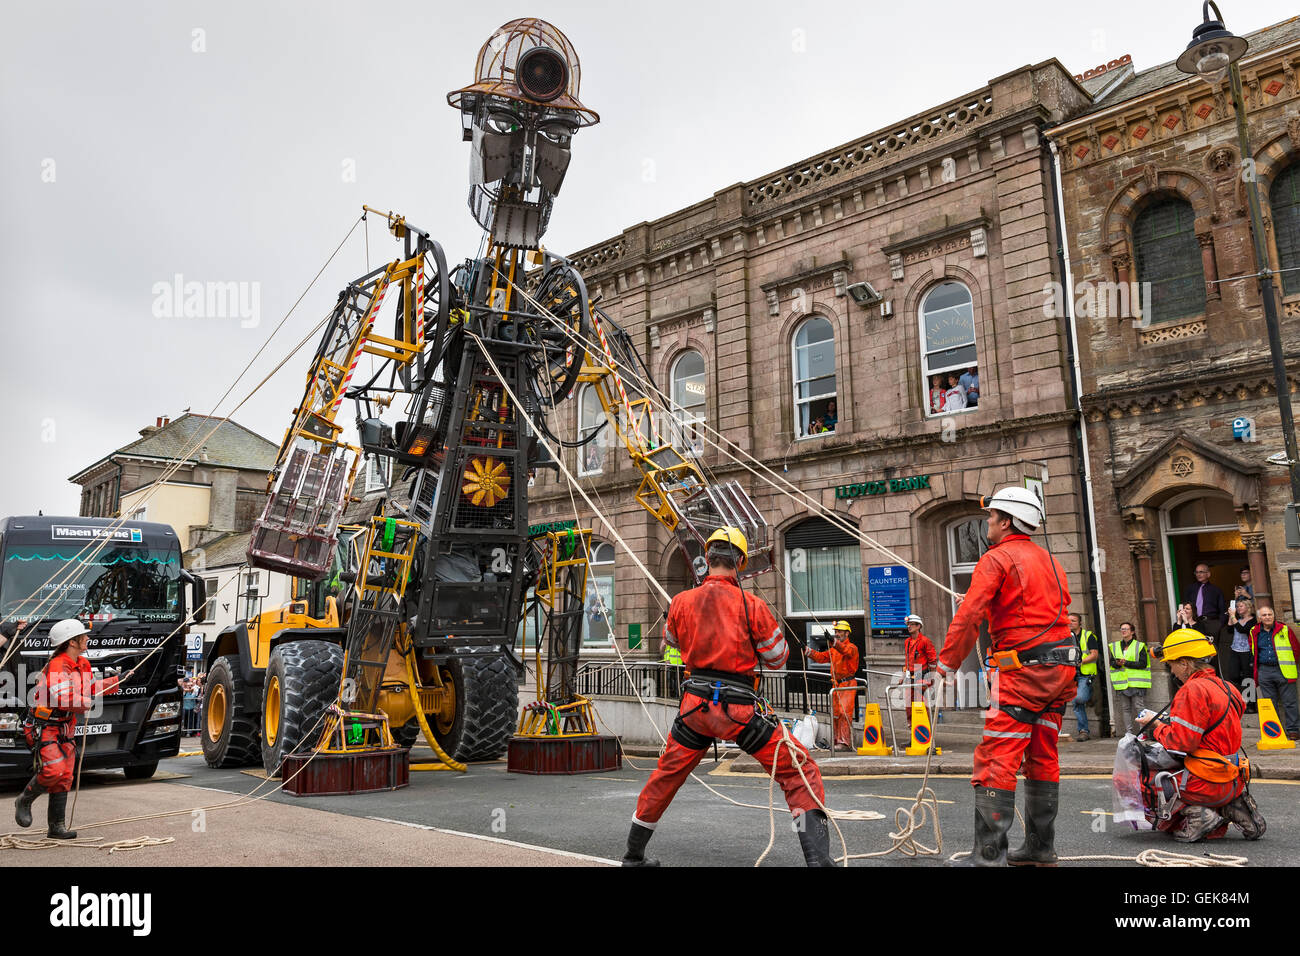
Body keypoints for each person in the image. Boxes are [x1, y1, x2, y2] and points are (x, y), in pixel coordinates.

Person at [624, 527, 830, 866]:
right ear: (741, 563)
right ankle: (818, 861)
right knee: (798, 770)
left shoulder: (681, 602)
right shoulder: (752, 606)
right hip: (741, 712)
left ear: (707, 559)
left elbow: (672, 643)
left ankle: (633, 856)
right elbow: (778, 658)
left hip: (694, 710)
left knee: (665, 777)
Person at [936, 486, 1074, 866]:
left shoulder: (996, 559)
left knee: (998, 759)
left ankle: (988, 856)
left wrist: (946, 666)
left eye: (992, 516)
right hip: (1059, 673)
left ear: (1007, 521)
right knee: (1043, 756)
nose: (988, 523)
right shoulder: (1051, 561)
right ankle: (1039, 849)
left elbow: (969, 615)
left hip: (1022, 676)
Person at [1133, 629, 1264, 842]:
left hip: (1207, 780)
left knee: (1143, 778)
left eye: (1172, 664)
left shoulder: (1191, 690)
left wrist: (1155, 725)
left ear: (1185, 663)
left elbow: (1181, 744)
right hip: (1233, 778)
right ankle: (1234, 805)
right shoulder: (1227, 687)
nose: (1173, 671)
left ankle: (1200, 816)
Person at [14, 619, 129, 838]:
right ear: (72, 642)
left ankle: (56, 827)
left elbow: (90, 688)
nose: (87, 638)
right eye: (83, 636)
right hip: (46, 726)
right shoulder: (58, 665)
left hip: (64, 727)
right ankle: (24, 800)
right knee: (53, 770)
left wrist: (117, 681)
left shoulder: (82, 664)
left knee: (65, 775)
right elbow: (64, 698)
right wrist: (88, 702)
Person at [806, 620, 860, 749]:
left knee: (844, 713)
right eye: (835, 632)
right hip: (837, 685)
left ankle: (845, 742)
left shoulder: (852, 647)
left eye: (839, 631)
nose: (837, 634)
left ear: (847, 633)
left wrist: (833, 641)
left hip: (848, 684)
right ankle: (837, 741)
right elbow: (820, 657)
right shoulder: (834, 649)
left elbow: (845, 651)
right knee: (836, 713)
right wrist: (807, 650)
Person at [1250, 605, 1299, 739]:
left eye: (1269, 615)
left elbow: (1296, 649)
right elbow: (1253, 648)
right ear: (1260, 618)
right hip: (1264, 670)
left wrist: (1289, 662)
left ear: (1274, 616)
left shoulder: (1284, 629)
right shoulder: (1254, 631)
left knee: (1290, 702)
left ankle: (1293, 730)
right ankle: (1275, 733)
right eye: (1264, 615)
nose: (1267, 617)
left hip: (1283, 669)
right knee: (1270, 704)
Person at [1108, 622, 1150, 738]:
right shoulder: (1115, 646)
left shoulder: (1140, 645)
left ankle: (1143, 733)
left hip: (1137, 682)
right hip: (1122, 683)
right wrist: (1117, 663)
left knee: (1139, 707)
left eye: (1126, 629)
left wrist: (1126, 663)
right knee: (1125, 709)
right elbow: (1112, 663)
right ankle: (1129, 733)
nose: (1123, 631)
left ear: (1132, 632)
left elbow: (1143, 663)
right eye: (1122, 629)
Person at [1069, 613, 1100, 741]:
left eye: (1073, 621)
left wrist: (1081, 662)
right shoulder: (1065, 637)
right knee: (1076, 702)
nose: (1070, 623)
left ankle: (1090, 695)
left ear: (1080, 623)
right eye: (1068, 621)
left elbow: (1094, 655)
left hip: (1085, 674)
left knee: (1079, 699)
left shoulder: (1088, 636)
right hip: (1071, 675)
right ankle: (1083, 731)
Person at [1222, 598, 1256, 708]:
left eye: (1241, 606)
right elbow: (1230, 630)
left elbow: (1242, 629)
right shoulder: (1238, 619)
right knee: (1233, 675)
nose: (1238, 608)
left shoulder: (1252, 620)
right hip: (1235, 650)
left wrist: (1233, 616)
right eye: (1237, 606)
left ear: (1248, 607)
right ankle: (1242, 694)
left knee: (1248, 678)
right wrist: (1230, 617)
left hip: (1247, 652)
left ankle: (1251, 704)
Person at [900, 614, 937, 709]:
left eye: (911, 624)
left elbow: (932, 660)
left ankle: (924, 723)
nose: (909, 626)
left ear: (918, 626)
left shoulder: (925, 641)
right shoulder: (907, 642)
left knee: (920, 703)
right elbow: (907, 661)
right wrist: (903, 675)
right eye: (908, 624)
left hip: (921, 674)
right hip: (910, 675)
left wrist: (932, 676)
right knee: (909, 705)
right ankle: (911, 724)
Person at [1183, 563, 1226, 642]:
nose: (1198, 574)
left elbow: (1223, 609)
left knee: (1212, 649)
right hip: (1195, 623)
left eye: (1201, 572)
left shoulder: (1216, 590)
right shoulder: (1190, 589)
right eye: (1197, 572)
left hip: (1212, 624)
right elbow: (1185, 606)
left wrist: (1219, 625)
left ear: (1208, 574)